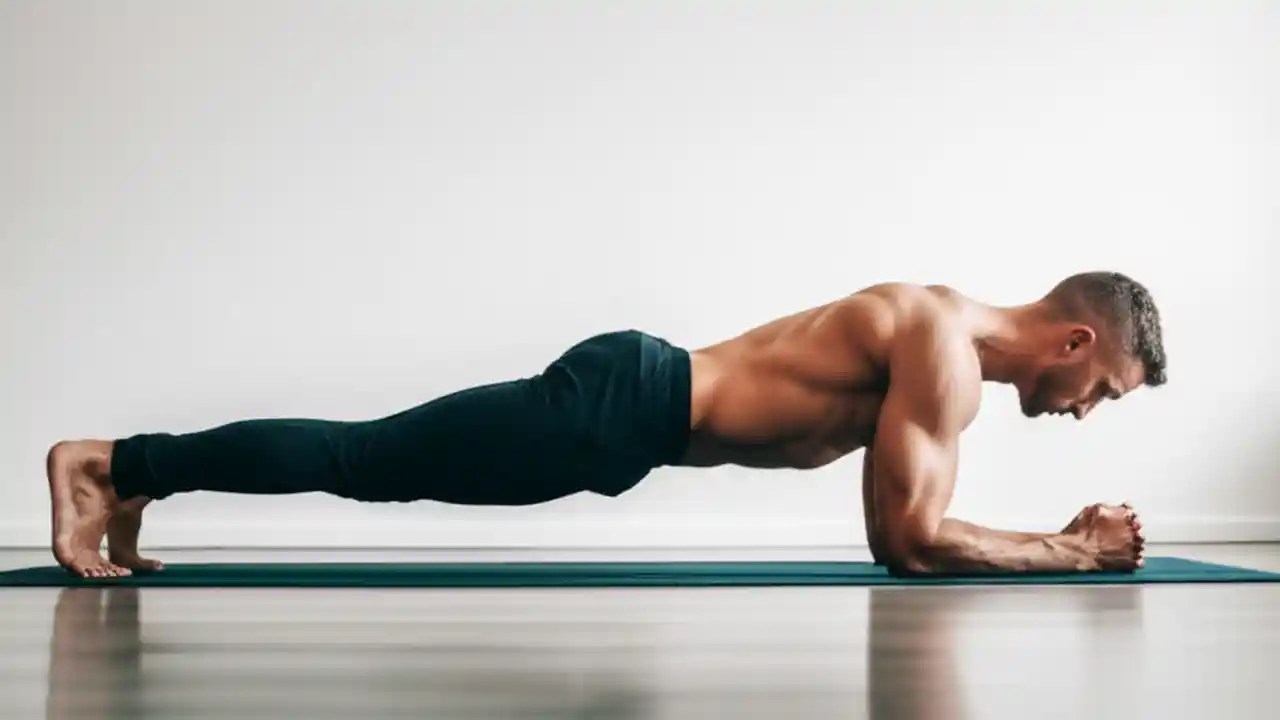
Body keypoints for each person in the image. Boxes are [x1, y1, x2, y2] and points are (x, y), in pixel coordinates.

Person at [46, 271, 1162, 579]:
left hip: (627, 418)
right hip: (624, 405)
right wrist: (1069, 548)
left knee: (370, 459)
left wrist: (1055, 545)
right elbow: (907, 544)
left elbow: (918, 527)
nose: (1087, 412)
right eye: (1103, 387)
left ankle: (136, 476)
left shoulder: (942, 346)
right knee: (365, 460)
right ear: (1071, 343)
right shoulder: (936, 343)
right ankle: (108, 465)